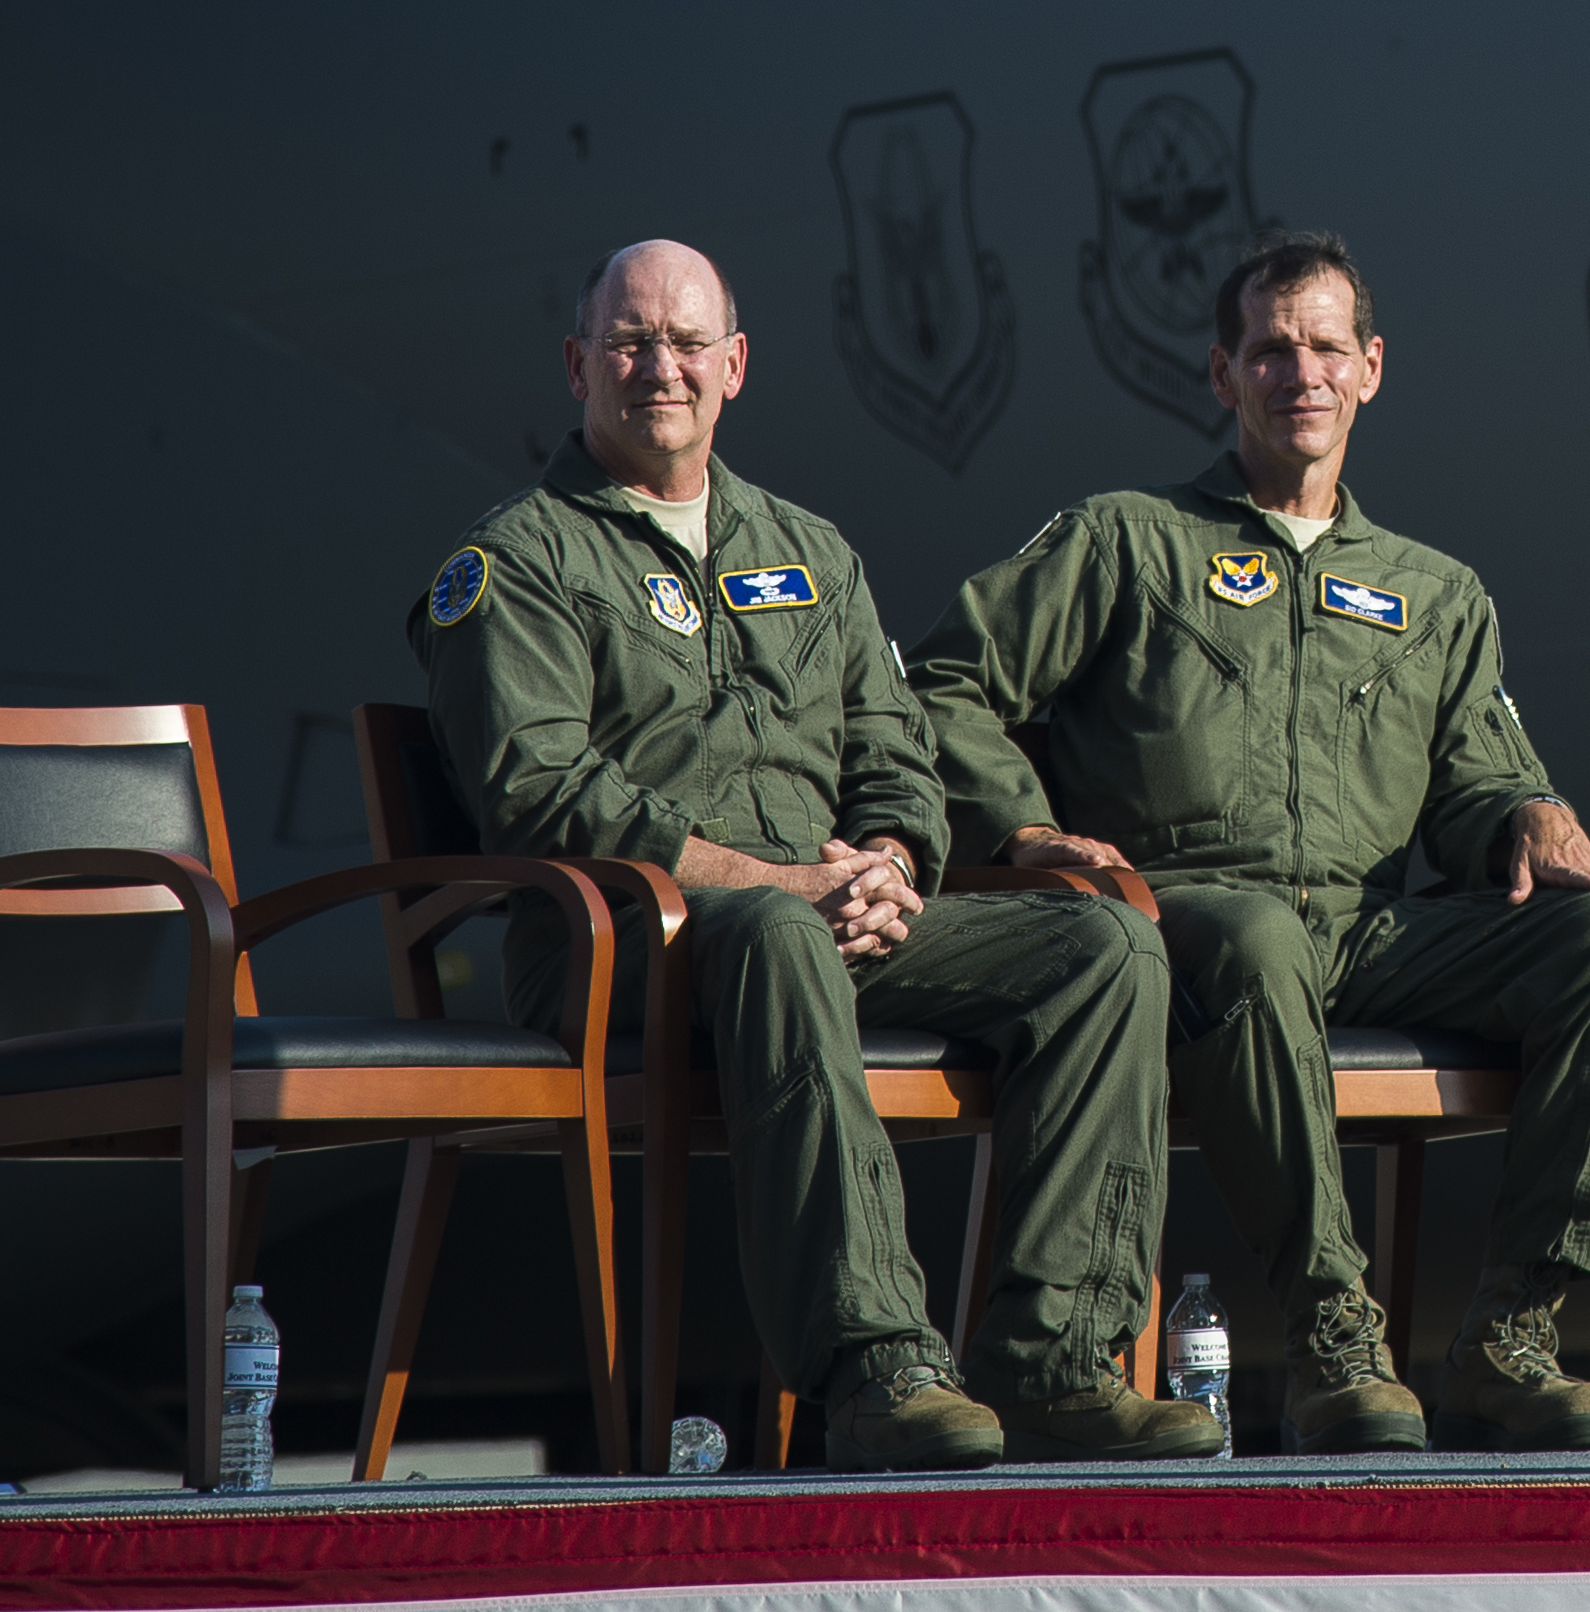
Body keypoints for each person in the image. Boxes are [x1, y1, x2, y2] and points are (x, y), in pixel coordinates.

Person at [415, 240, 1208, 1471]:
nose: (658, 367)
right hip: (623, 941)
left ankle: (1057, 1361)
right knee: (783, 934)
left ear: (733, 366)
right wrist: (787, 886)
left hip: (820, 919)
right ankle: (877, 1362)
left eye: (686, 343)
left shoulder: (812, 550)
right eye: (629, 342)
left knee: (1103, 943)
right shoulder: (518, 560)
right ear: (579, 365)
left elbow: (895, 753)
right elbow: (543, 792)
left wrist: (891, 861)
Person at [913, 229, 1590, 1454]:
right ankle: (1334, 1332)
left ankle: (1510, 1335)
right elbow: (945, 679)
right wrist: (1023, 828)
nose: (1301, 372)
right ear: (1221, 374)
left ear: (1372, 368)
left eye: (1327, 346)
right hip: (1184, 921)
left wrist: (1522, 811)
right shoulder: (1128, 539)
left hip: (1370, 927)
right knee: (1260, 932)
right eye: (1270, 348)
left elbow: (1473, 790)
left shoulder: (1437, 591)